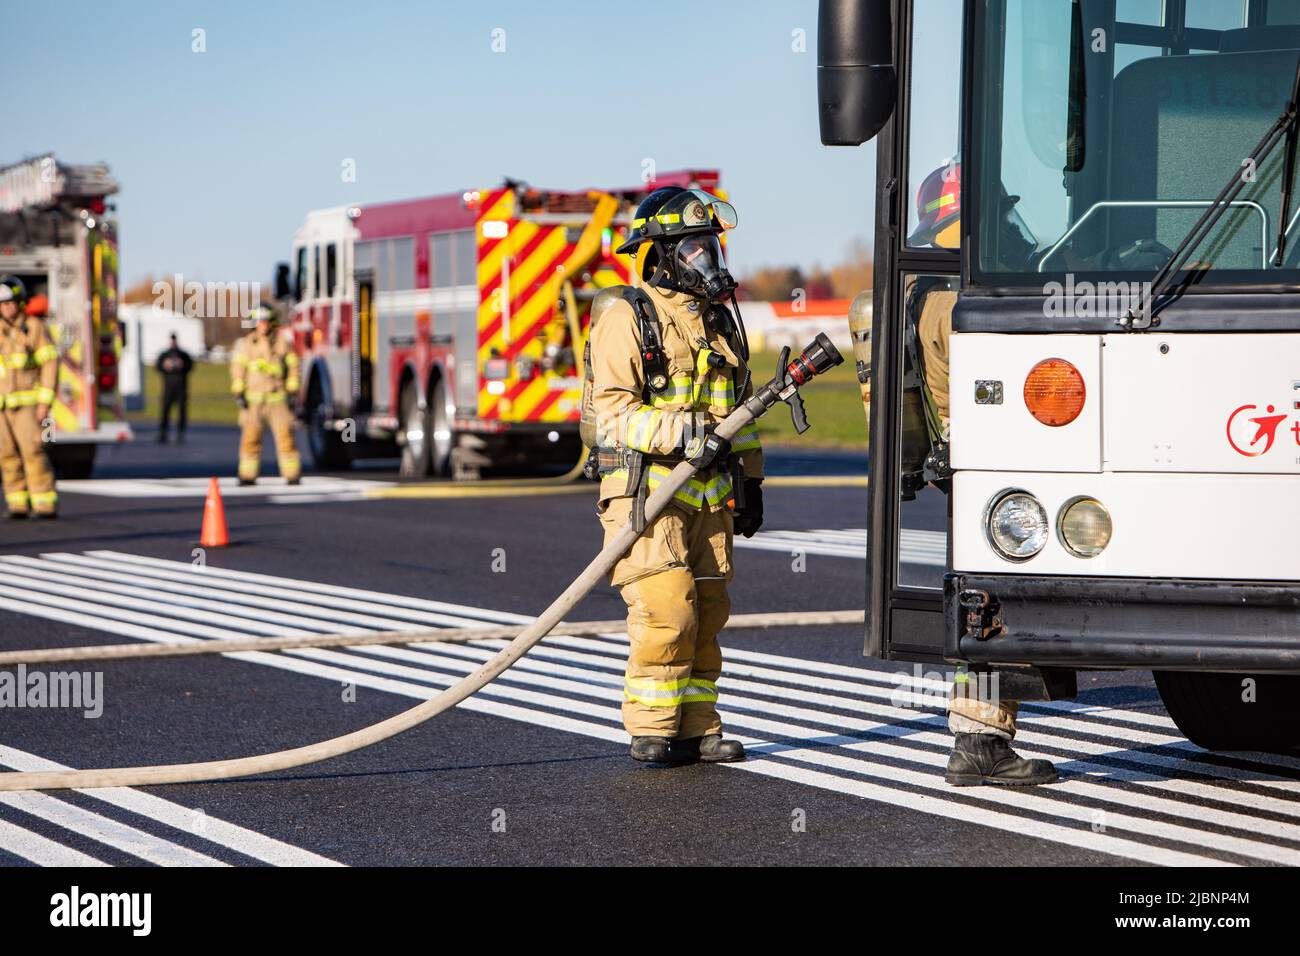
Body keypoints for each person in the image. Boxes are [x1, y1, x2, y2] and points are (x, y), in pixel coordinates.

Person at [589, 186, 762, 764]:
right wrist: (685, 433)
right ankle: (652, 728)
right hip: (647, 492)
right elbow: (612, 414)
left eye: (710, 246)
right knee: (668, 609)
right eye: (692, 248)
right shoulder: (626, 318)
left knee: (708, 614)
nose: (708, 260)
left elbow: (742, 408)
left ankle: (697, 726)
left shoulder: (719, 323)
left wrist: (753, 479)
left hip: (710, 496)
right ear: (659, 255)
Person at [905, 162, 1057, 786]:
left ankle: (980, 735)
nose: (1012, 227)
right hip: (991, 464)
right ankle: (979, 741)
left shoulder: (926, 288)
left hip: (968, 465)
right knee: (997, 601)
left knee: (989, 597)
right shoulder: (962, 298)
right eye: (998, 213)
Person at [0, 276, 59, 519]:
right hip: (2, 407)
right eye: (1, 304)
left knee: (33, 452)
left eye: (9, 303)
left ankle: (44, 503)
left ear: (20, 303)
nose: (5, 308)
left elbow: (50, 364)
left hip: (28, 406)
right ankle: (17, 503)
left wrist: (44, 403)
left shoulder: (34, 327)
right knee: (6, 455)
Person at [230, 301, 301, 485]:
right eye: (260, 321)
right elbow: (238, 369)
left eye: (266, 321)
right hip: (253, 401)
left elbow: (293, 366)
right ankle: (247, 475)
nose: (263, 325)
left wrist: (293, 389)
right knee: (250, 439)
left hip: (277, 399)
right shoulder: (246, 344)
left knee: (286, 438)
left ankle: (292, 474)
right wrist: (238, 391)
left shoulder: (282, 342)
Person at [156, 333, 194, 443]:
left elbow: (190, 366)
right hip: (168, 387)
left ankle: (180, 434)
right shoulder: (165, 354)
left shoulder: (183, 355)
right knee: (165, 411)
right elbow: (158, 366)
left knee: (182, 411)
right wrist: (165, 365)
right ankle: (163, 433)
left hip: (181, 387)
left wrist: (181, 365)